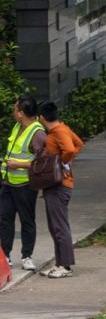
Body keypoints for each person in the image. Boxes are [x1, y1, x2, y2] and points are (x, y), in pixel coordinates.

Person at [36, 101, 82, 278]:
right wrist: (66, 161)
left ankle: (66, 266)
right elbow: (79, 143)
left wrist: (62, 162)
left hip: (58, 185)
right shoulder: (63, 129)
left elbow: (71, 148)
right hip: (56, 184)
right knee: (55, 225)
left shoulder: (58, 132)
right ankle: (59, 263)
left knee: (59, 226)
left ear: (42, 117)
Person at [1, 96, 45, 273]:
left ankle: (27, 256)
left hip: (25, 185)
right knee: (5, 219)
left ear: (21, 113)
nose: (13, 112)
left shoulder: (37, 133)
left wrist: (18, 165)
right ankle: (5, 255)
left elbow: (42, 163)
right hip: (8, 182)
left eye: (15, 109)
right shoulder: (18, 126)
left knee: (27, 220)